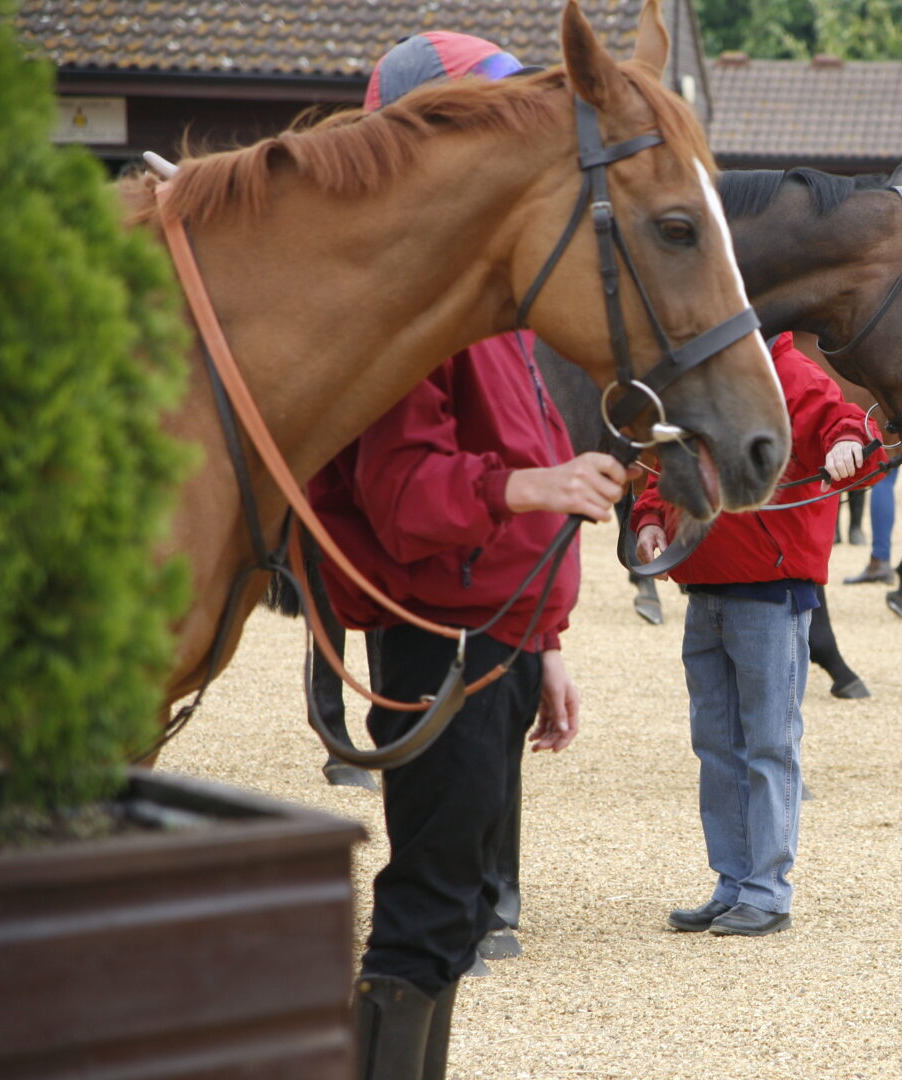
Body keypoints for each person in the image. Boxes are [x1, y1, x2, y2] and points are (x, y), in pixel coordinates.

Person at [307, 31, 630, 1080]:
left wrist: (550, 644)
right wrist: (531, 489)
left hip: (496, 633)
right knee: (433, 902)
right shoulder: (403, 304)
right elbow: (405, 502)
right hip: (437, 639)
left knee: (451, 908)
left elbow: (521, 465)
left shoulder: (482, 299)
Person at [634, 332, 883, 936]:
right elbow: (665, 464)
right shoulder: (693, 371)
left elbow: (846, 426)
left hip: (769, 592)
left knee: (768, 743)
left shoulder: (787, 369)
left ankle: (766, 890)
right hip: (706, 587)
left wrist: (851, 442)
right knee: (717, 745)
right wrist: (647, 519)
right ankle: (733, 882)